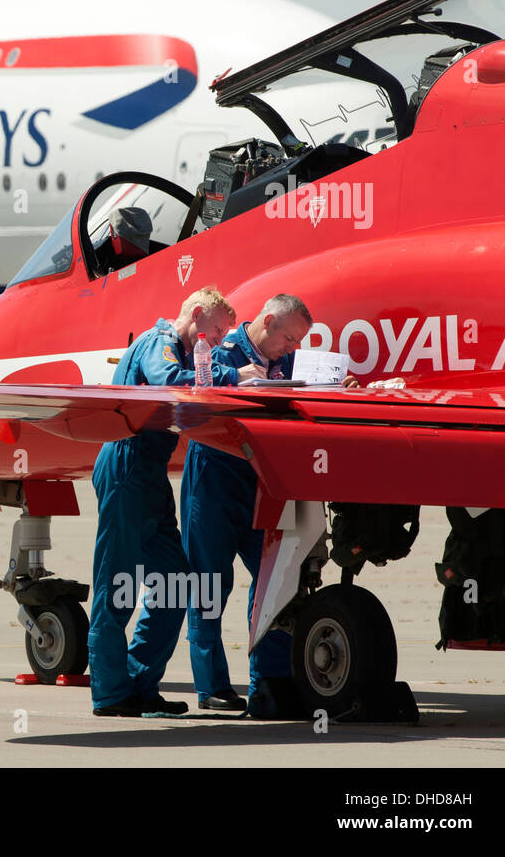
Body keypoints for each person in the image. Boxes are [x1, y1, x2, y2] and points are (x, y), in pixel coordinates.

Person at [89, 286, 266, 716]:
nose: (221, 337)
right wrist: (230, 378)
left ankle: (140, 682)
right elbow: (168, 382)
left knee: (177, 581)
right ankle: (111, 694)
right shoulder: (161, 344)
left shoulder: (189, 353)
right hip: (126, 467)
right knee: (116, 583)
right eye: (218, 328)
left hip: (148, 473)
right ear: (198, 314)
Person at [180, 293, 327, 715]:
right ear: (267, 322)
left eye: (299, 342)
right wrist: (235, 377)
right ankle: (211, 686)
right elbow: (196, 380)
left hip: (260, 483)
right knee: (209, 584)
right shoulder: (222, 348)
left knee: (274, 578)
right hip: (213, 479)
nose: (293, 348)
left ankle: (268, 683)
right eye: (290, 338)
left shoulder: (288, 363)